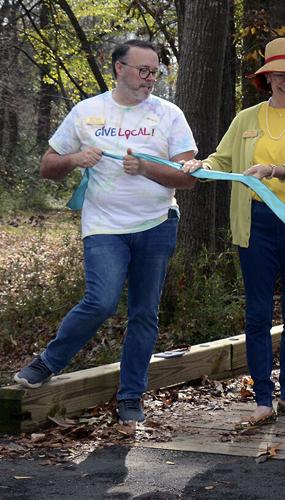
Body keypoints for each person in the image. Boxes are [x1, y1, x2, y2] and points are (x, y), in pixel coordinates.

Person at [13, 39, 197, 429]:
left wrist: (147, 168)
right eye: (143, 70)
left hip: (157, 222)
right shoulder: (87, 112)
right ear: (119, 68)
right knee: (100, 300)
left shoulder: (169, 114)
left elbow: (188, 177)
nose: (150, 79)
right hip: (104, 226)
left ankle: (131, 396)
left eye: (155, 71)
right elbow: (48, 165)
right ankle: (48, 362)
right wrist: (74, 159)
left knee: (144, 313)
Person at [182, 38, 285, 426]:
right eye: (278, 73)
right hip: (256, 225)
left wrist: (271, 170)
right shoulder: (246, 118)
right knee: (258, 312)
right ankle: (263, 399)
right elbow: (221, 157)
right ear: (267, 77)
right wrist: (201, 165)